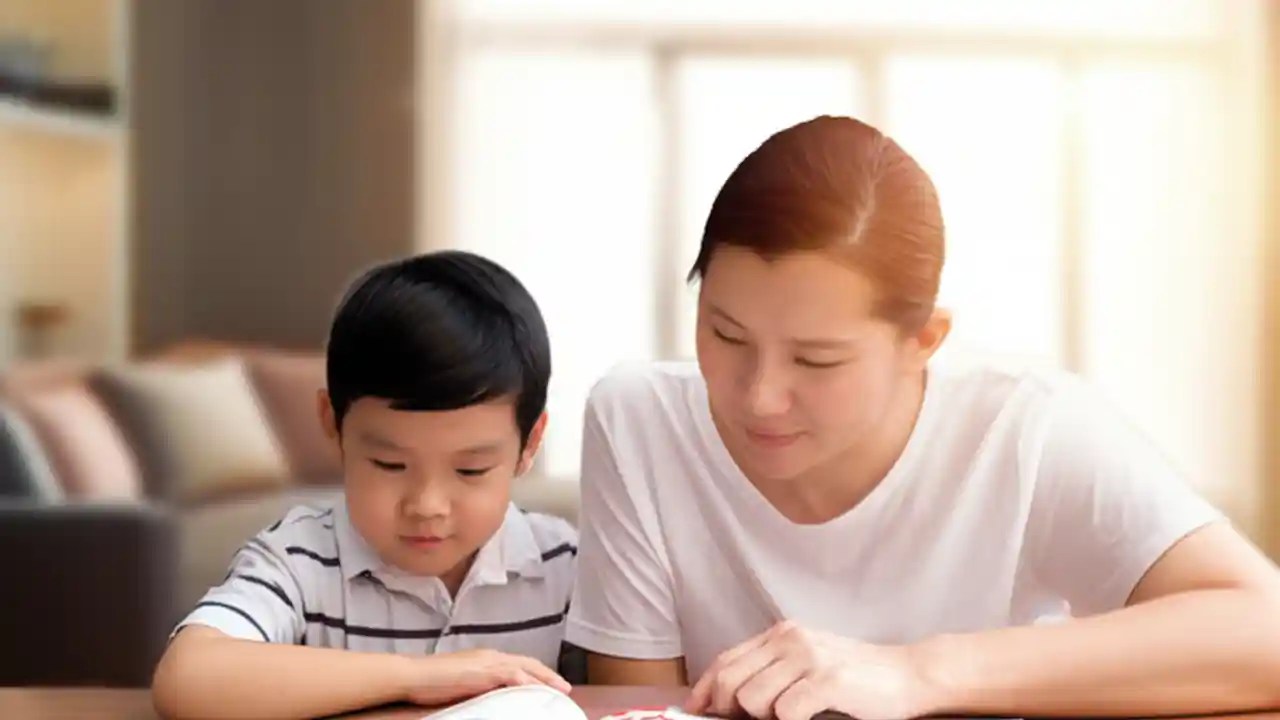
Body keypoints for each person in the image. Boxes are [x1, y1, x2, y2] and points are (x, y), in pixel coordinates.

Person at [566, 116, 1280, 720]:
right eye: (725, 336)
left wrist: (918, 672)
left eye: (816, 361)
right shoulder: (639, 421)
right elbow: (646, 713)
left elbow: (1266, 632)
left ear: (924, 342)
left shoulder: (1023, 429)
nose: (759, 396)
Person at [153, 251, 578, 720]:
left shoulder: (567, 569)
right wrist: (420, 676)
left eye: (470, 471)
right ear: (332, 424)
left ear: (530, 443)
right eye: (389, 464)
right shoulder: (300, 560)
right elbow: (188, 679)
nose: (427, 505)